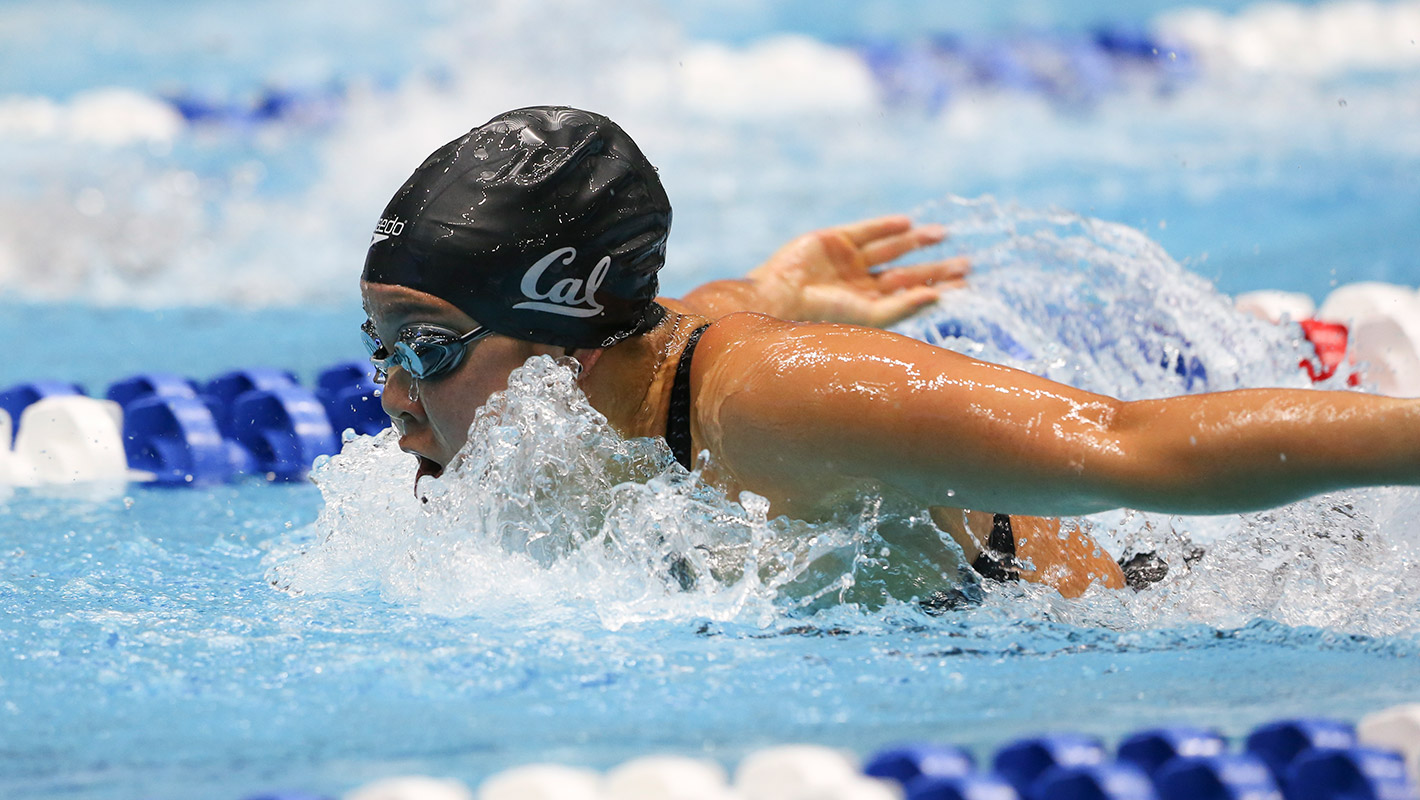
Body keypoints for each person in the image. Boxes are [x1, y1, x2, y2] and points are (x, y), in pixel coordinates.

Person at [360, 106, 1419, 600]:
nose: (396, 396)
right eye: (383, 349)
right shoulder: (610, 370)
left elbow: (1137, 444)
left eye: (430, 348)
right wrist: (769, 291)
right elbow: (682, 309)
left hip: (1127, 606)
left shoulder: (776, 400)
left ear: (566, 347)